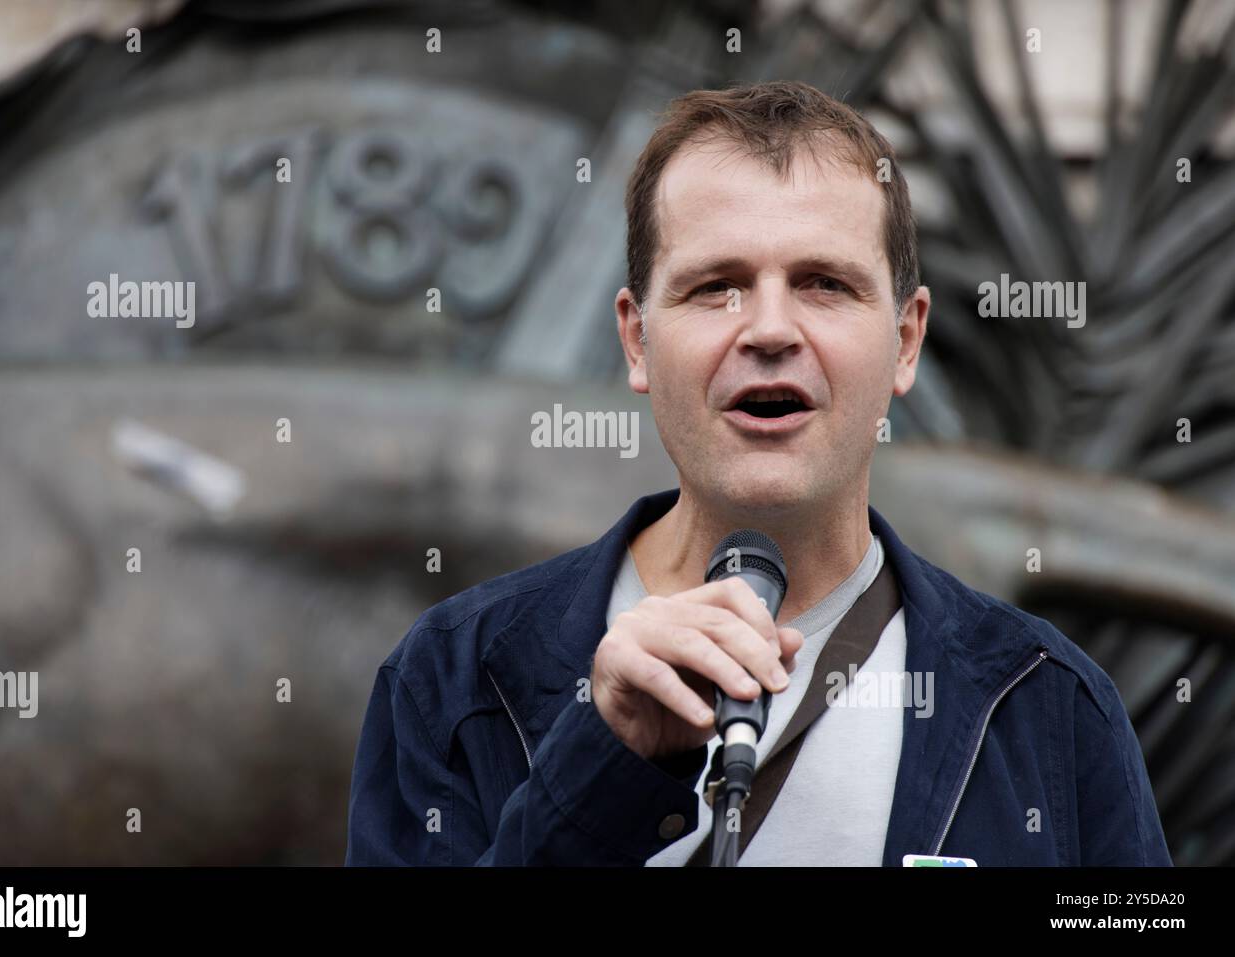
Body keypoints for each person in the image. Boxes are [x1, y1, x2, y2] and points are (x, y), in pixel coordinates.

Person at [345, 81, 1172, 866]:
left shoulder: (1050, 708)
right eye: (717, 287)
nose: (769, 329)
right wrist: (599, 763)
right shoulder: (453, 680)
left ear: (906, 340)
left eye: (824, 284)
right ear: (636, 341)